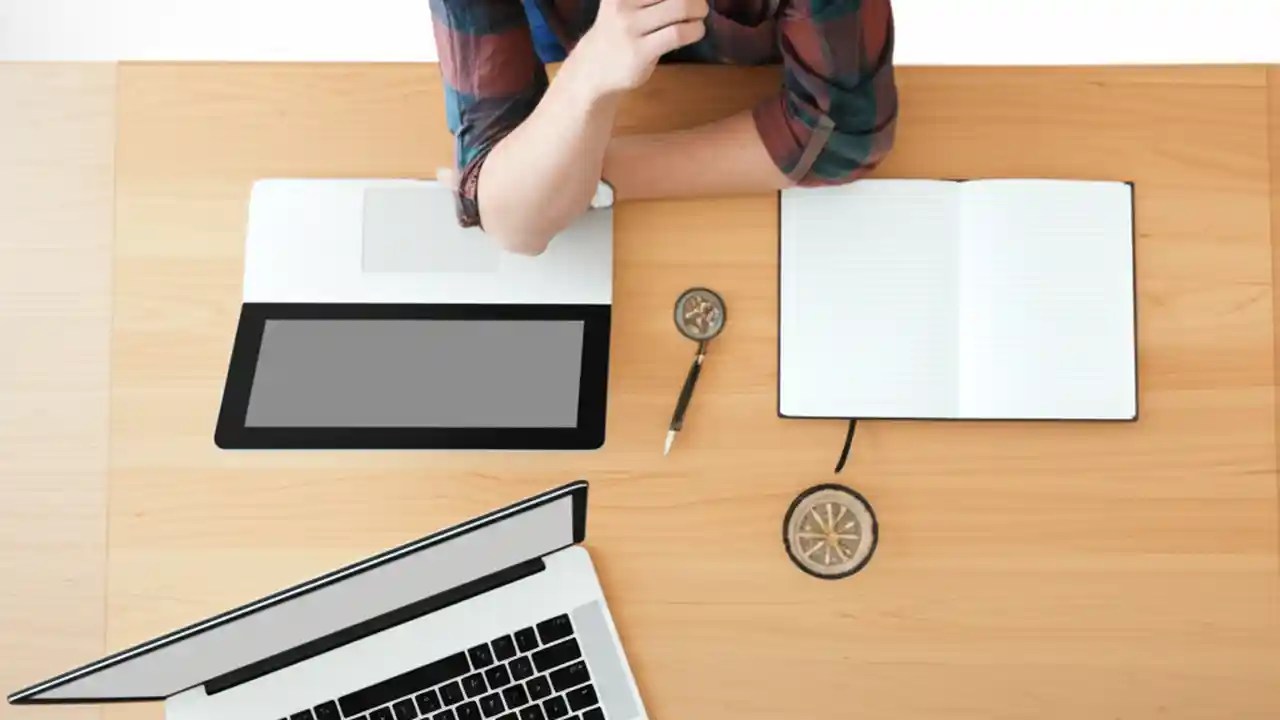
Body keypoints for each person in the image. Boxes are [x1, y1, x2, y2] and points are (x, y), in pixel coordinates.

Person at [430, 0, 897, 255]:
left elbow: (845, 135)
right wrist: (590, 77)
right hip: (575, 50)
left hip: (751, 77)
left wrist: (581, 172)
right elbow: (515, 223)